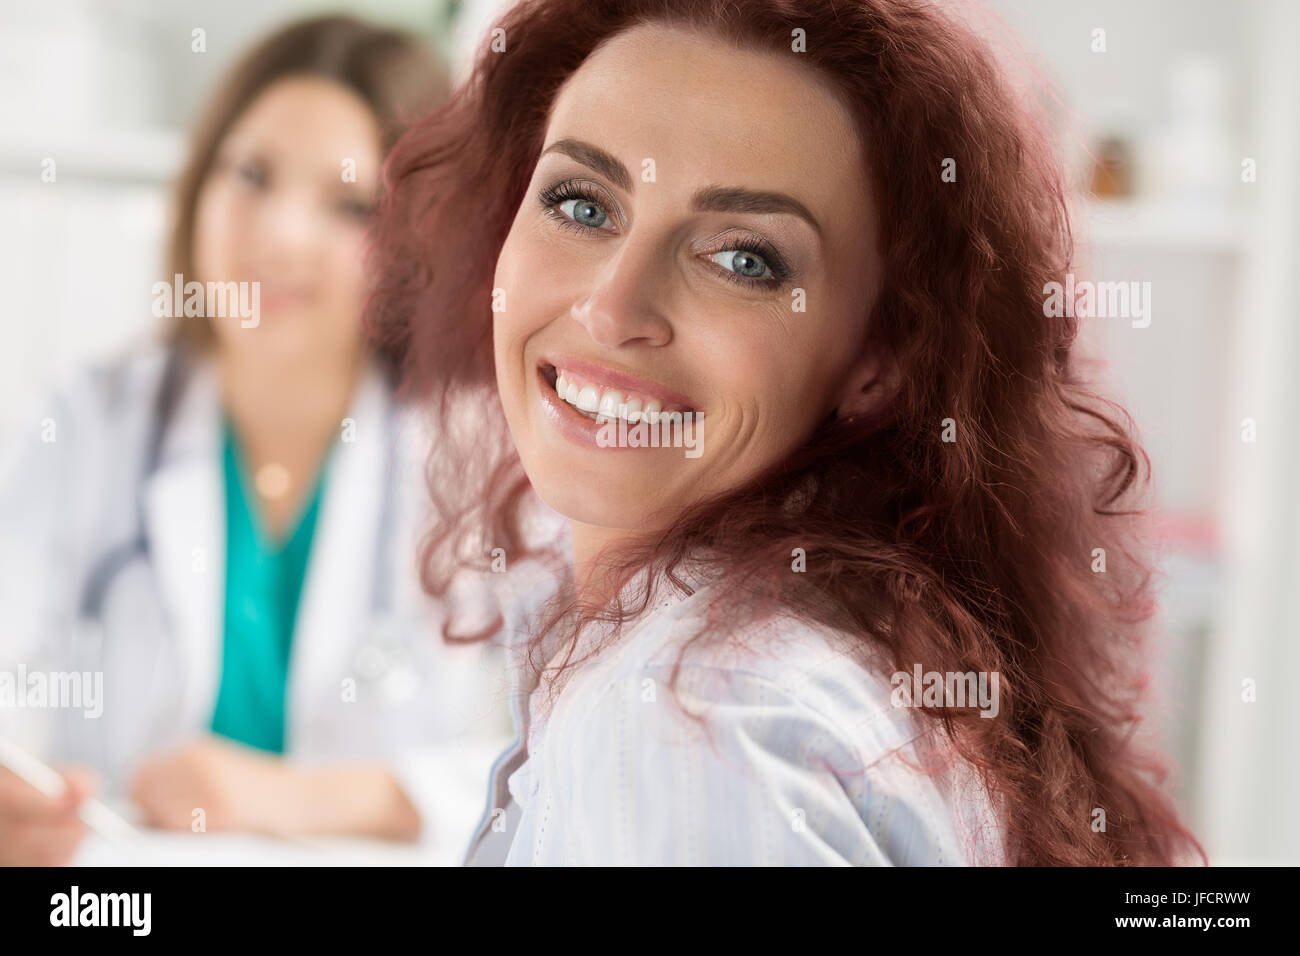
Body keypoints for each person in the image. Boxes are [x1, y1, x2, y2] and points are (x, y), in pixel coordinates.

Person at [368, 0, 1207, 865]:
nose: (611, 308)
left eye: (743, 259)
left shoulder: (690, 718)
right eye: (582, 204)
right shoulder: (804, 651)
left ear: (880, 357)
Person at [0, 15, 511, 866]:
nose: (279, 233)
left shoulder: (475, 458)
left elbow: (555, 768)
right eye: (252, 174)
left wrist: (296, 797)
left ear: (419, 244)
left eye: (349, 204)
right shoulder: (86, 425)